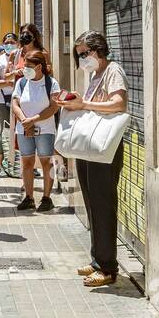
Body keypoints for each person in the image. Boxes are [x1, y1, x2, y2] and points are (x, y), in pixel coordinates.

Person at [53, 30, 129, 288]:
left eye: (84, 53)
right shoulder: (96, 75)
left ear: (98, 50)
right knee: (92, 204)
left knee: (103, 204)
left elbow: (119, 104)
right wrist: (75, 101)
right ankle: (98, 260)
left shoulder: (113, 70)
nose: (82, 59)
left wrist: (83, 105)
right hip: (91, 149)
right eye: (79, 55)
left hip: (105, 148)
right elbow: (92, 103)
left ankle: (108, 267)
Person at [10, 49, 60, 212]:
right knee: (27, 162)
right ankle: (29, 197)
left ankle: (47, 197)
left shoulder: (50, 83)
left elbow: (54, 107)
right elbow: (15, 104)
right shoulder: (21, 83)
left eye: (28, 66)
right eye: (25, 65)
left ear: (39, 67)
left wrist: (34, 120)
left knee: (46, 162)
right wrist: (25, 120)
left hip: (45, 129)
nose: (25, 69)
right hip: (24, 128)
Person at [0, 33, 19, 178]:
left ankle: (18, 164)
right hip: (4, 100)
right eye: (7, 42)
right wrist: (8, 83)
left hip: (22, 102)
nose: (9, 44)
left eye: (12, 42)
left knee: (20, 134)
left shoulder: (23, 59)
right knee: (4, 131)